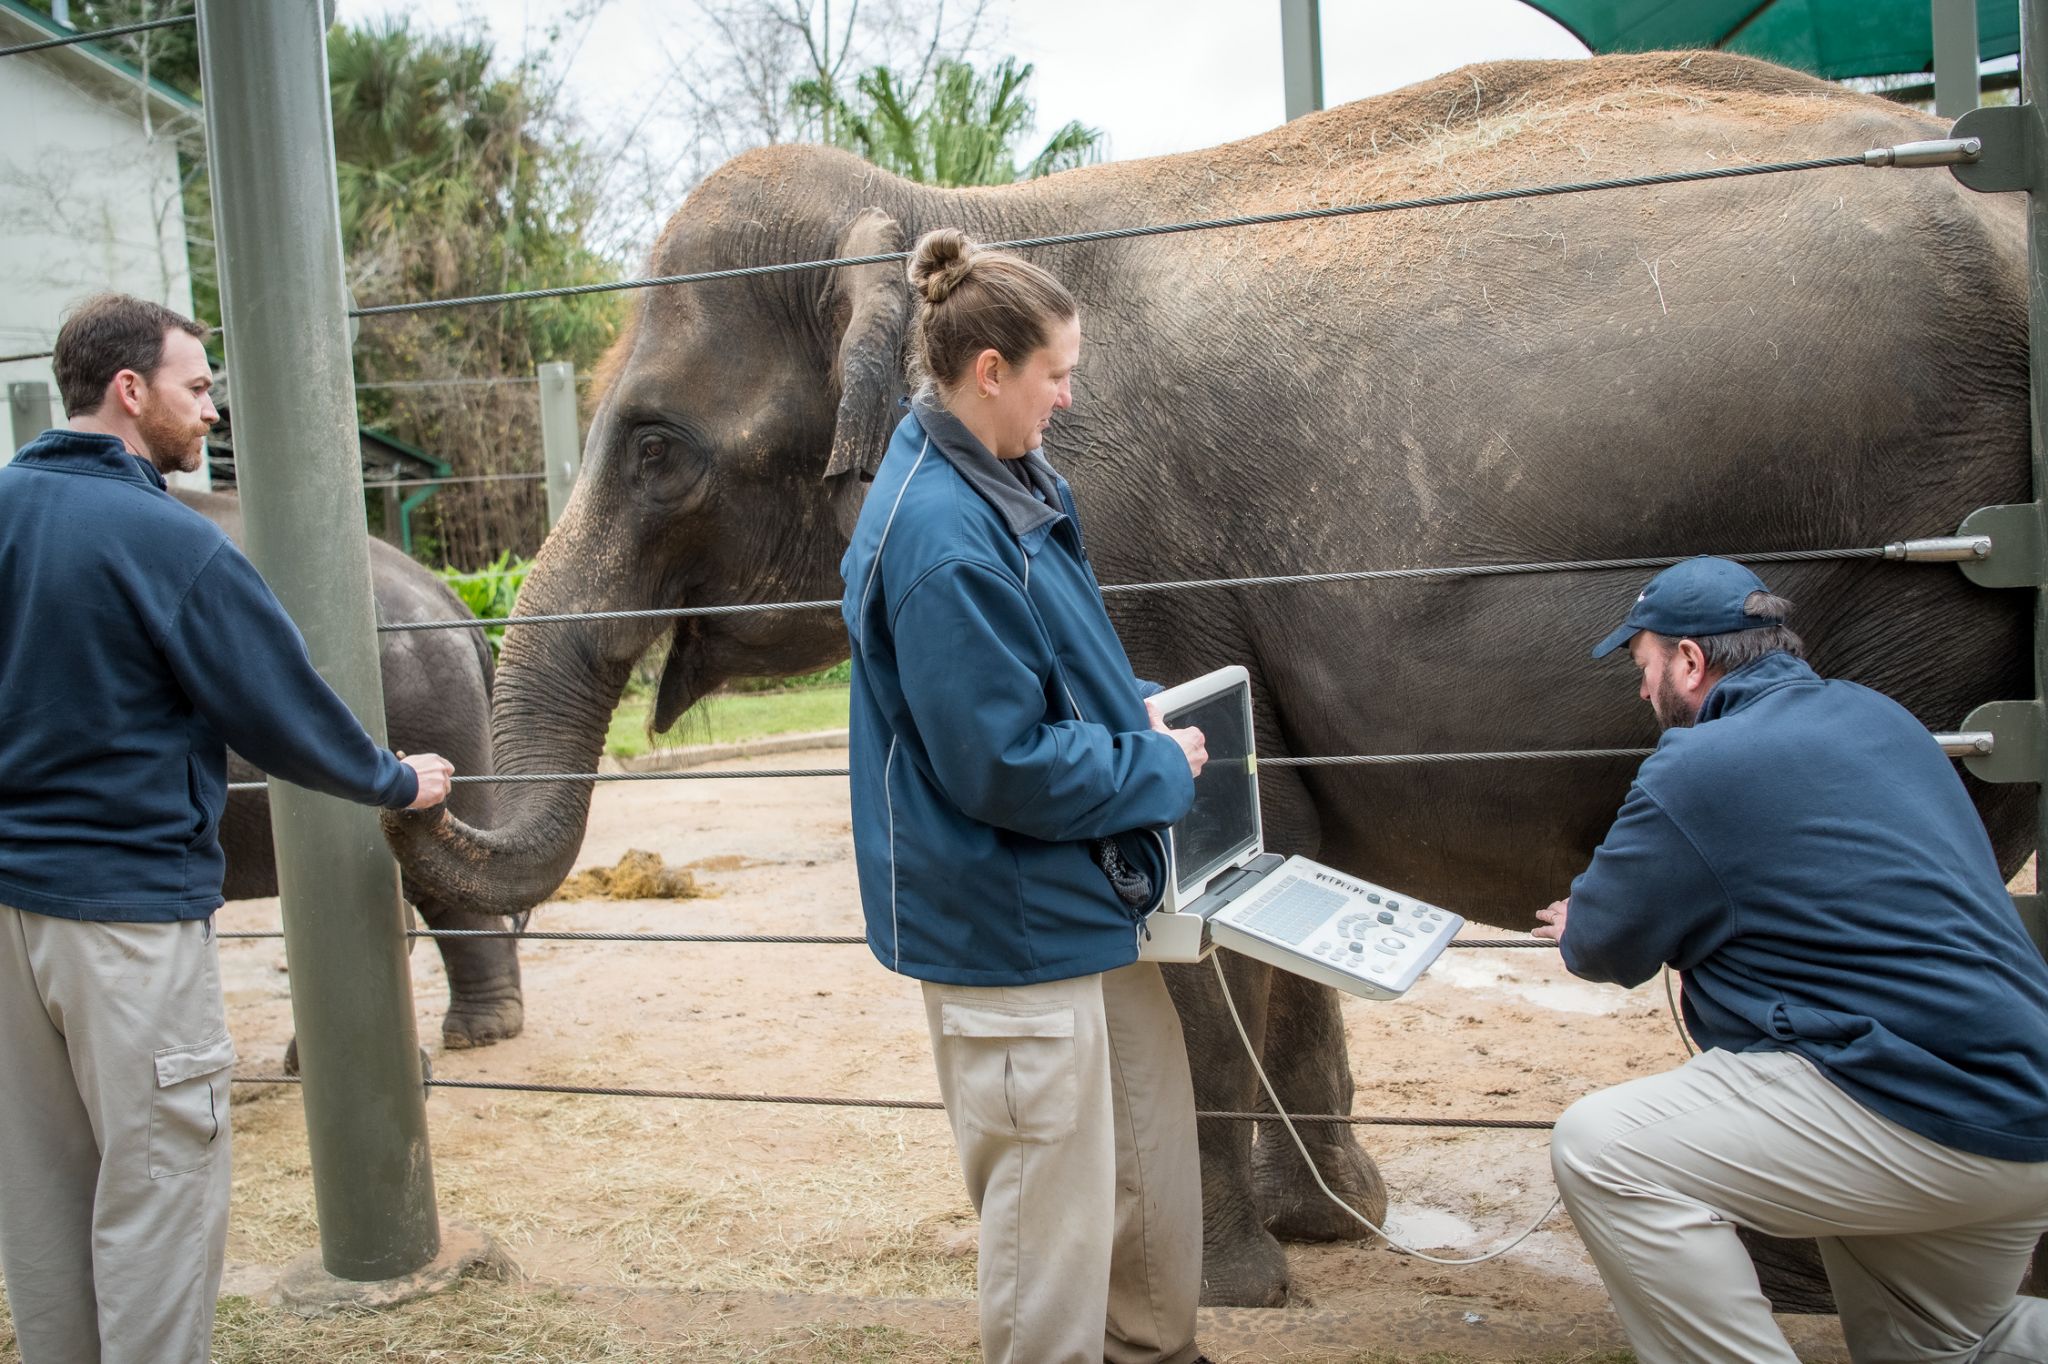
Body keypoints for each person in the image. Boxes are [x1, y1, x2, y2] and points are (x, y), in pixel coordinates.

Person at [0, 293, 454, 1364]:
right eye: (197, 387)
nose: (212, 412)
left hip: (9, 914)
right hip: (127, 924)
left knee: (42, 1190)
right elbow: (276, 704)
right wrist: (391, 777)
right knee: (158, 1189)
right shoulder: (166, 538)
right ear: (129, 390)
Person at [839, 230, 1213, 1364]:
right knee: (1043, 1234)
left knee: (1144, 1160)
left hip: (1080, 897)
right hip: (1008, 924)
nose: (1068, 394)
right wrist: (1154, 768)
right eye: (1056, 371)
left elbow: (1048, 664)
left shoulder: (1003, 479)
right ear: (988, 369)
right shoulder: (942, 537)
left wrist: (1127, 706)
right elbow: (996, 761)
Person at [1533, 555, 2048, 1364]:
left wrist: (1578, 921)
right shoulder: (1882, 718)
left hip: (1913, 1108)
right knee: (1952, 1347)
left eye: (1644, 666)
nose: (1642, 691)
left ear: (1690, 661)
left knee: (1604, 1150)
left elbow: (1603, 947)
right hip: (2025, 1112)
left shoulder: (1696, 764)